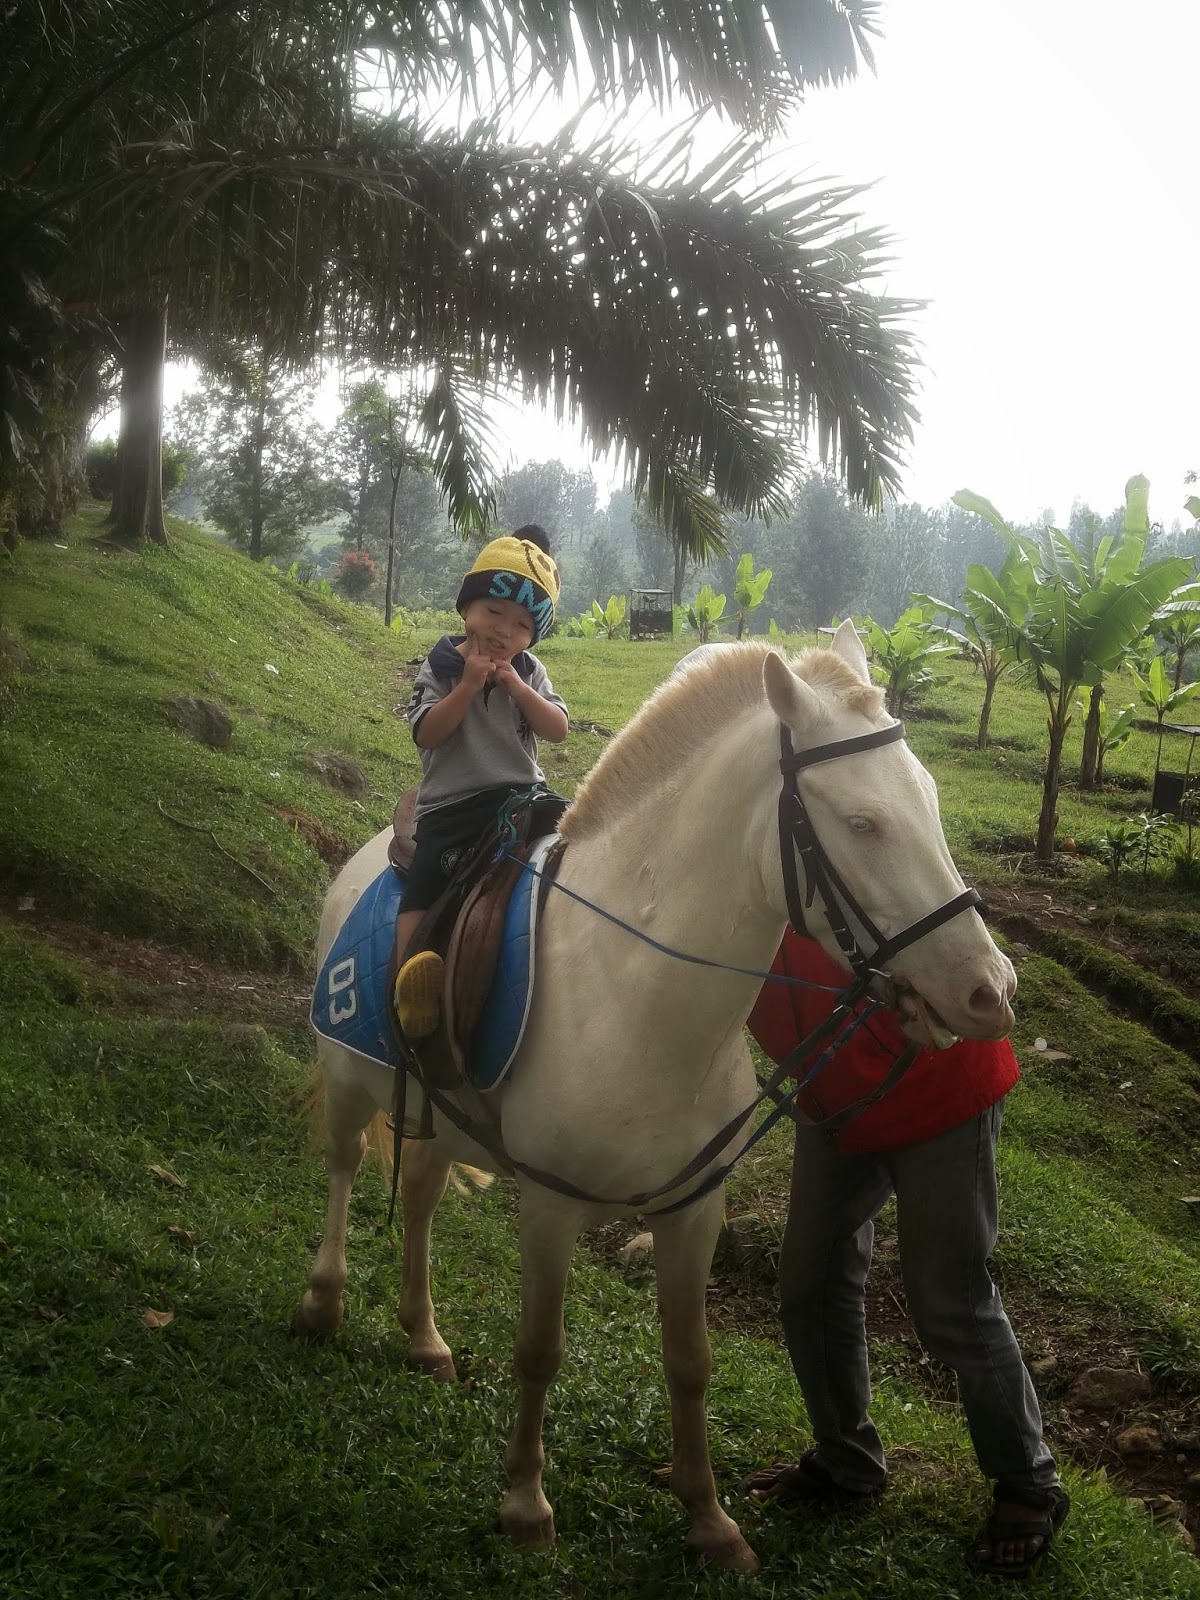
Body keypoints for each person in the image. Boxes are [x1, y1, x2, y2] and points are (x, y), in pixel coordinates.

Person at [742, 929, 1069, 1579]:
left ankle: (1028, 1482)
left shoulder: (847, 864)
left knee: (950, 1299)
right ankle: (847, 1459)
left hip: (938, 1083)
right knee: (809, 1281)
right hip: (834, 1096)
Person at [392, 526, 568, 1038]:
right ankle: (408, 977)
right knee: (427, 877)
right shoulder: (442, 665)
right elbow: (427, 733)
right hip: (455, 804)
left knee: (577, 840)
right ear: (467, 607)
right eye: (493, 611)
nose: (503, 631)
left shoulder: (530, 671)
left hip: (525, 795)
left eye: (521, 625)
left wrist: (519, 689)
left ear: (532, 637)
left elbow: (558, 729)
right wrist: (467, 686)